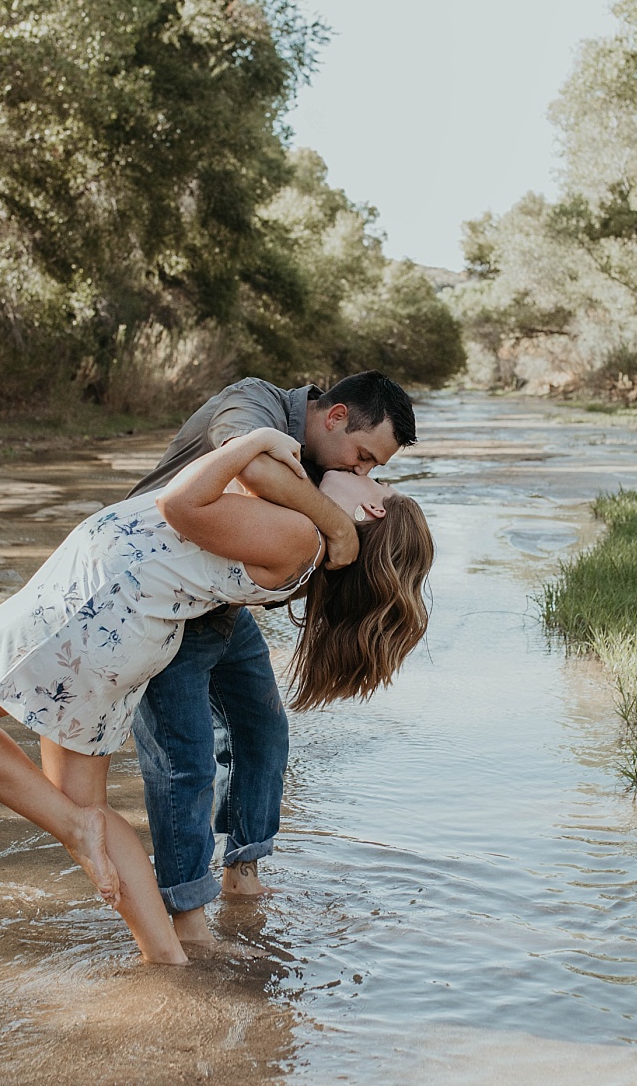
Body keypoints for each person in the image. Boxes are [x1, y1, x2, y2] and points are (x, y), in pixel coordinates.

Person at [0, 427, 433, 964]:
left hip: (90, 617)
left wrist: (252, 441)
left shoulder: (301, 536)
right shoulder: (303, 534)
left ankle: (74, 827)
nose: (363, 474)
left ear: (372, 513)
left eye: (375, 482)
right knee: (89, 810)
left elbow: (179, 501)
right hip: (119, 633)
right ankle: (168, 962)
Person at [122, 372, 417, 946]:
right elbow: (251, 467)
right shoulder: (251, 402)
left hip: (217, 601)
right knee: (186, 761)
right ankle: (186, 918)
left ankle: (243, 876)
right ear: (334, 416)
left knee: (262, 729)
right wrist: (337, 524)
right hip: (155, 596)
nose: (362, 474)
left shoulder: (323, 468)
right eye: (361, 458)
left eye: (372, 469)